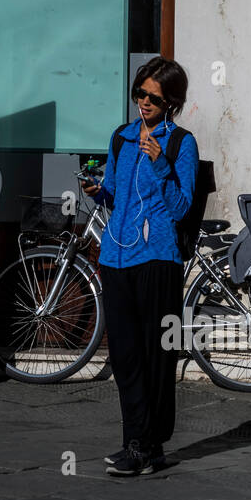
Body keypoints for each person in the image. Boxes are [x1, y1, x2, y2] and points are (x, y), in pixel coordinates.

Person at [83, 56, 197, 476]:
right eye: (140, 93)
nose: (144, 102)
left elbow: (181, 207)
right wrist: (96, 190)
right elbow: (114, 194)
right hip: (115, 256)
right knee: (126, 357)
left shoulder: (180, 143)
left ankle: (148, 444)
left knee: (156, 355)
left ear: (171, 102)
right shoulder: (121, 137)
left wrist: (160, 164)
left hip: (157, 259)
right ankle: (138, 442)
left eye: (154, 97)